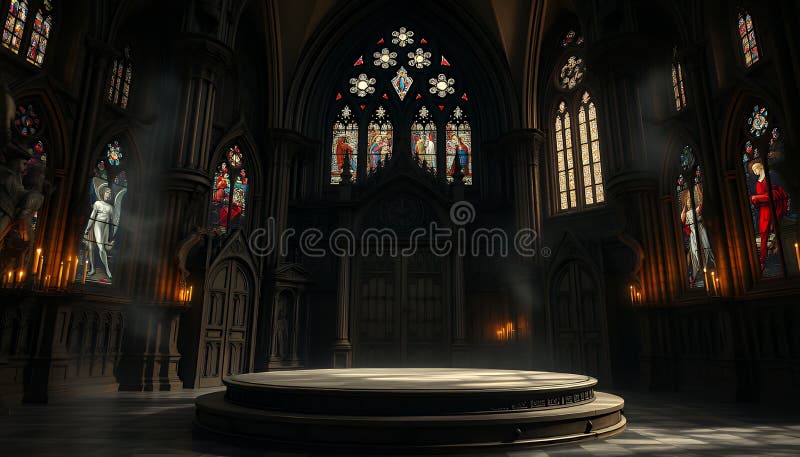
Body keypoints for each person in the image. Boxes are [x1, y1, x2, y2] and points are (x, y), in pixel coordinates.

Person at [749, 161, 790, 271]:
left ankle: (784, 258)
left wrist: (756, 198)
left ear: (760, 167)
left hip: (773, 209)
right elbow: (762, 198)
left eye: (755, 169)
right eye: (753, 171)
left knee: (777, 232)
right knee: (763, 235)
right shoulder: (758, 182)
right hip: (764, 211)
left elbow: (772, 195)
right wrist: (756, 199)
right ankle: (762, 260)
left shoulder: (770, 178)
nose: (755, 172)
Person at [680, 189, 714, 286]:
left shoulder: (697, 209)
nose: (689, 201)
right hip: (693, 236)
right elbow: (681, 220)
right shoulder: (686, 213)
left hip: (701, 233)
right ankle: (699, 273)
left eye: (690, 200)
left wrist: (699, 191)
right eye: (687, 200)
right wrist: (684, 206)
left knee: (705, 251)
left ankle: (708, 271)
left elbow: (703, 203)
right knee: (695, 254)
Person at [84, 186, 115, 279]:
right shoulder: (97, 203)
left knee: (104, 247)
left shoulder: (111, 207)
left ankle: (105, 269)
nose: (108, 194)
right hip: (97, 225)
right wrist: (87, 229)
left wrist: (112, 235)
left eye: (110, 193)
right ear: (102, 193)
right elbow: (92, 217)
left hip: (106, 227)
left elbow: (113, 222)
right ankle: (105, 270)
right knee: (96, 248)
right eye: (107, 192)